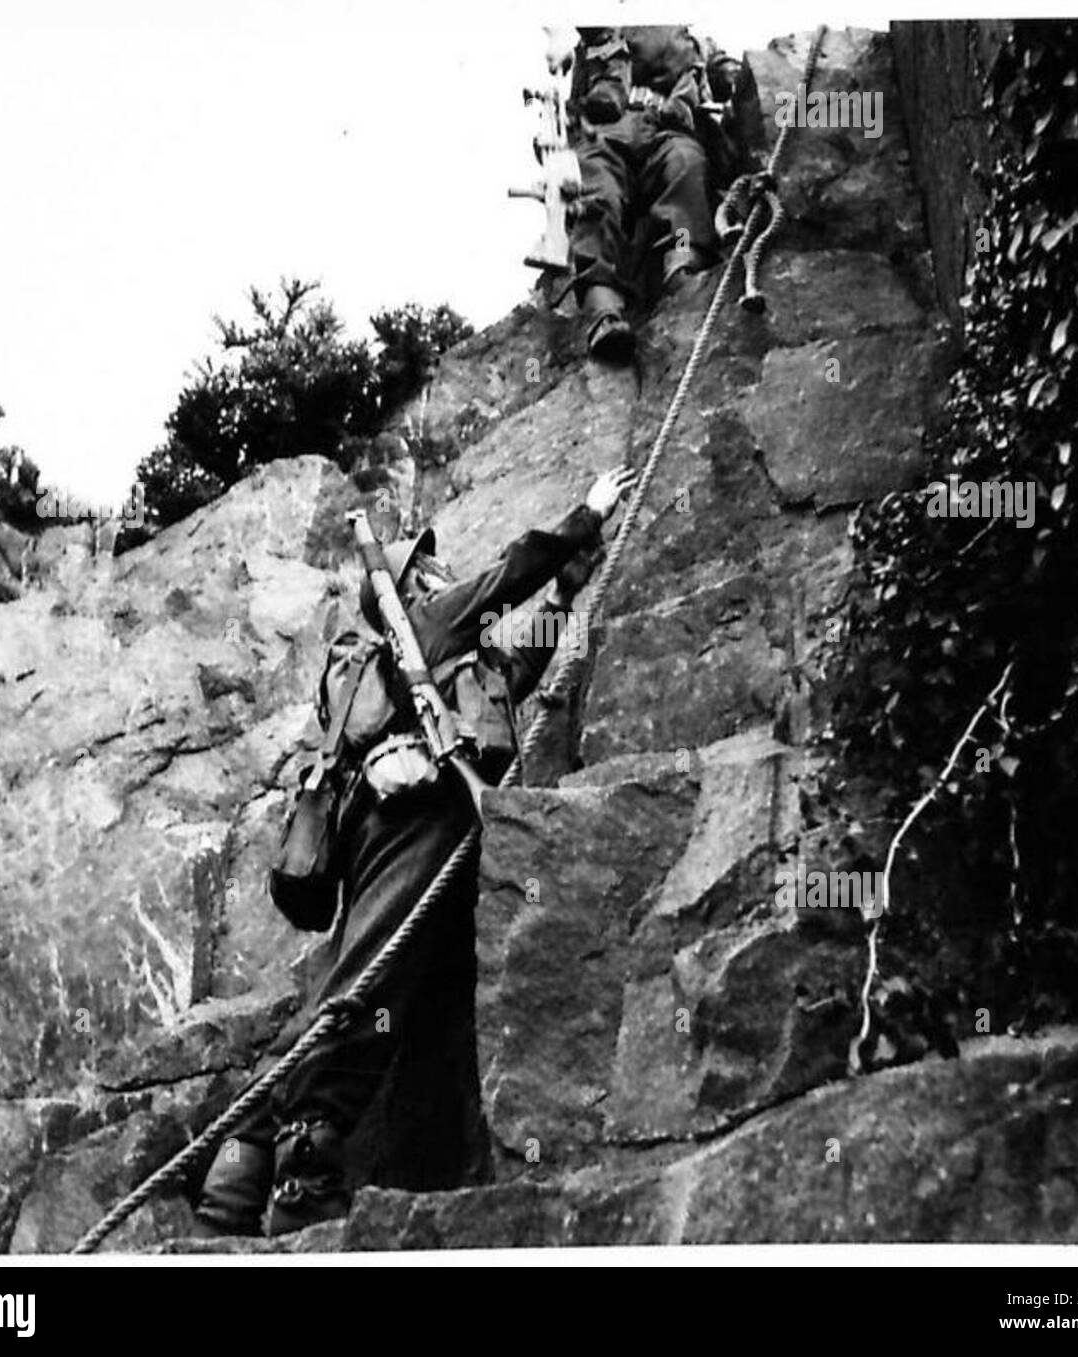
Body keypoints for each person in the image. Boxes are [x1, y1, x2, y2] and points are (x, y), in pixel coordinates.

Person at [194, 464, 637, 1237]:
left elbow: (511, 671)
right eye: (427, 565)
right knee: (369, 981)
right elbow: (505, 576)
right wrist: (585, 517)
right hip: (415, 813)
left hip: (397, 819)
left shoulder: (422, 660)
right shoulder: (422, 623)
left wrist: (565, 596)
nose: (441, 567)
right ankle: (295, 1170)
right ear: (406, 584)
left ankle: (243, 1160)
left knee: (365, 971)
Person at [560, 25, 766, 360]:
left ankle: (681, 259)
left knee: (686, 165)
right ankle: (603, 307)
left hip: (671, 126)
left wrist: (735, 81)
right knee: (596, 190)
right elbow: (574, 105)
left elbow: (724, 71)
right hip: (607, 132)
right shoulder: (598, 37)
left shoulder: (695, 40)